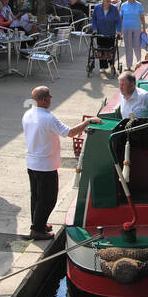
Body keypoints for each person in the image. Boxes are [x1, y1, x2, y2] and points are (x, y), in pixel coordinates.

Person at [21, 86, 93, 241]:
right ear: (44, 99)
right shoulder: (48, 118)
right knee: (48, 198)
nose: (50, 100)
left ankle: (38, 223)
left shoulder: (28, 114)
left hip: (32, 163)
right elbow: (70, 132)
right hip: (45, 165)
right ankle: (38, 229)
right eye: (49, 97)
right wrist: (88, 122)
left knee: (36, 196)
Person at [89, 0, 121, 70]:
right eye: (107, 1)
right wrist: (95, 29)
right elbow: (93, 19)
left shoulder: (114, 8)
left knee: (110, 50)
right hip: (100, 32)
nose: (108, 3)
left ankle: (111, 64)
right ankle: (103, 66)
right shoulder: (97, 8)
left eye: (110, 1)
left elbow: (118, 20)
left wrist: (119, 30)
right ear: (102, 1)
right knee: (101, 49)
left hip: (110, 32)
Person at [120, 0, 148, 68]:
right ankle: (128, 65)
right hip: (126, 28)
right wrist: (119, 30)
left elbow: (142, 17)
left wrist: (144, 29)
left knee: (137, 46)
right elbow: (121, 17)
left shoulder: (139, 5)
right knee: (128, 47)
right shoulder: (123, 5)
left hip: (136, 28)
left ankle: (139, 63)